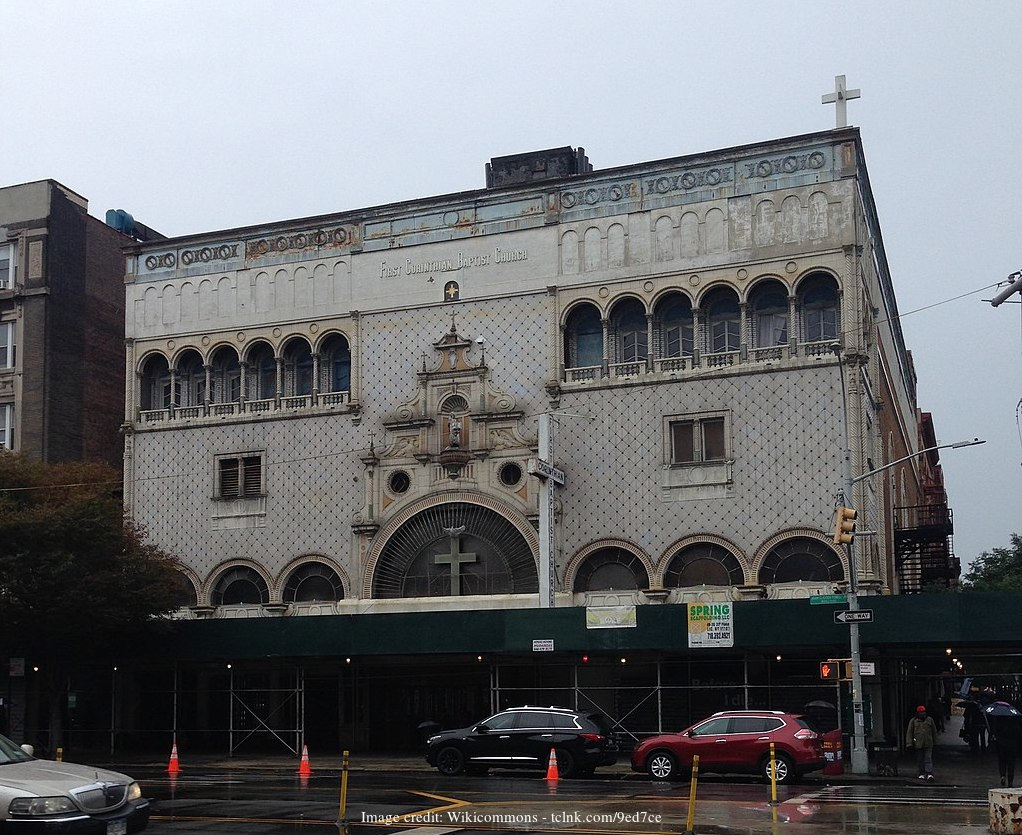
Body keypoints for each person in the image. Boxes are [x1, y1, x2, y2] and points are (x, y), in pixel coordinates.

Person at [989, 705, 1022, 787]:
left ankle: (1003, 775)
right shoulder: (1016, 725)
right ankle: (1010, 781)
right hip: (1013, 747)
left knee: (1002, 762)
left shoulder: (1000, 724)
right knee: (1011, 764)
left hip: (1002, 746)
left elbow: (995, 733)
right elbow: (1019, 736)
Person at [906, 704, 937, 781]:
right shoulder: (913, 721)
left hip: (928, 742)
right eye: (920, 712)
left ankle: (929, 772)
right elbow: (909, 732)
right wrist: (909, 743)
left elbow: (934, 731)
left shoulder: (930, 720)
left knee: (928, 758)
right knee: (920, 759)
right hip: (918, 743)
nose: (922, 714)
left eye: (923, 712)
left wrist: (935, 742)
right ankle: (921, 772)